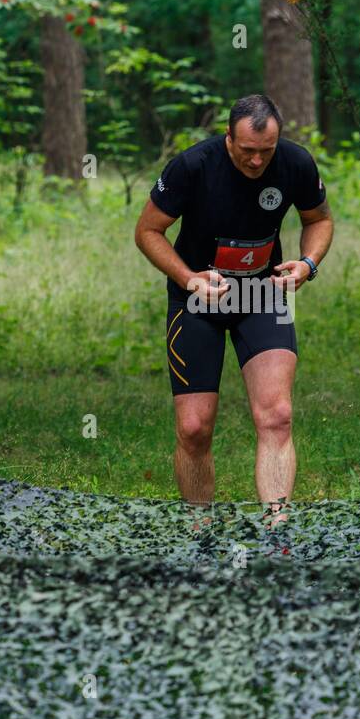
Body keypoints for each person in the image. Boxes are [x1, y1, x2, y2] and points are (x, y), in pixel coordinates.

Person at [134, 94, 334, 509]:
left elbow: (319, 219)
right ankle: (200, 534)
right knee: (194, 428)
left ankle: (277, 539)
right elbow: (148, 231)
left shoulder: (296, 163)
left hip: (262, 294)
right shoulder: (192, 166)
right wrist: (188, 279)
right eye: (247, 151)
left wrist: (308, 264)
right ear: (228, 138)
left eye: (266, 151)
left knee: (277, 416)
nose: (257, 161)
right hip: (199, 299)